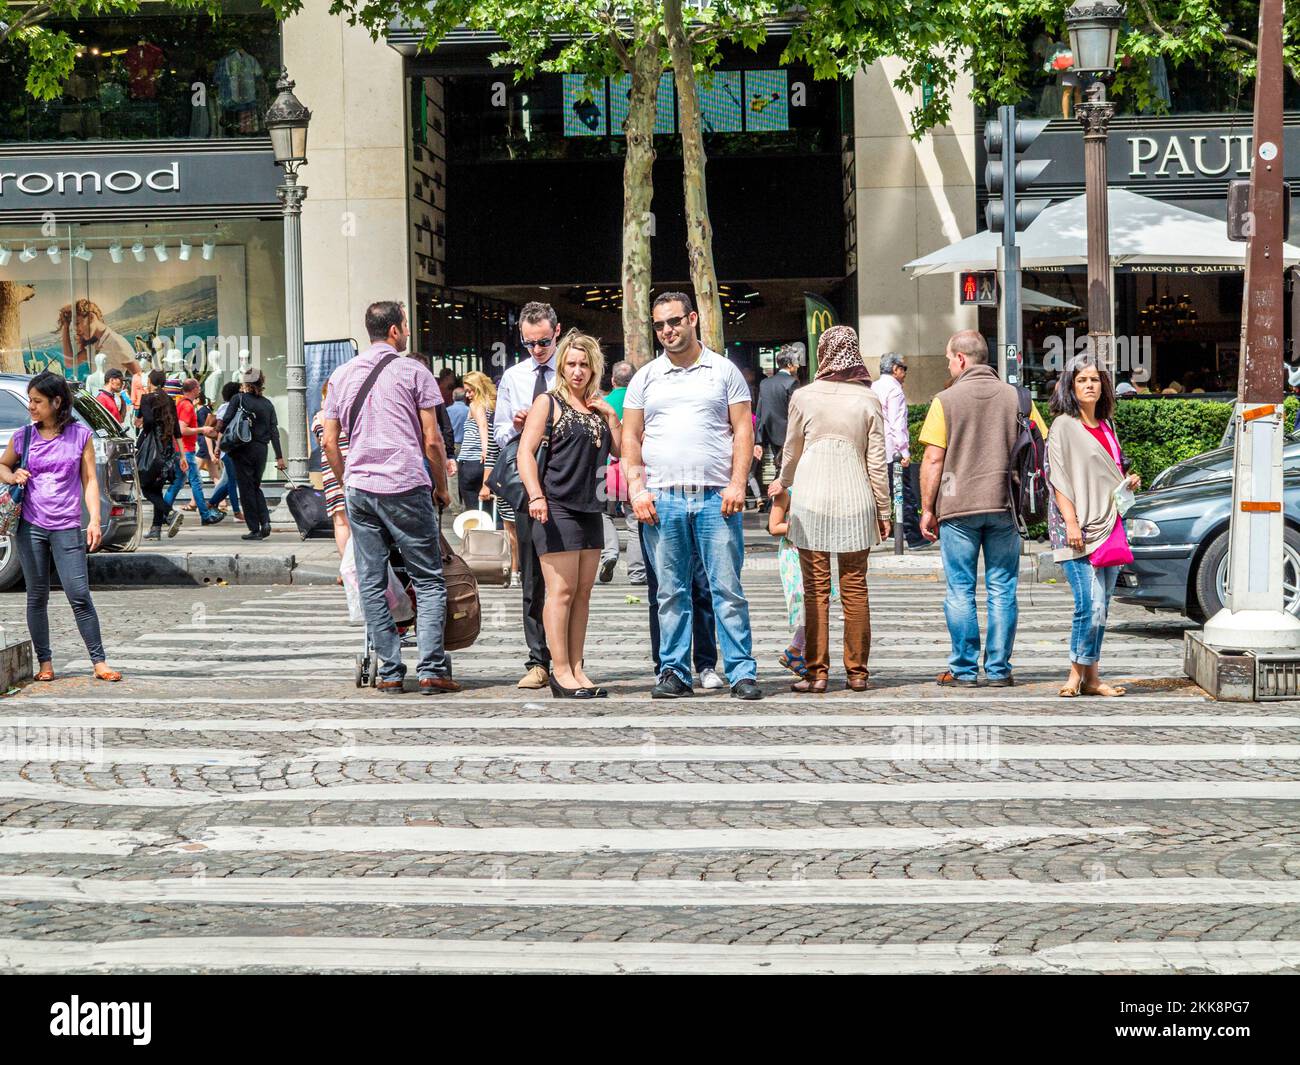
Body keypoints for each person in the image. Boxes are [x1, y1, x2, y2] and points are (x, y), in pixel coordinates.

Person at [622, 291, 762, 701]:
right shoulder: (646, 377)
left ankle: (741, 672)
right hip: (661, 498)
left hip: (715, 498)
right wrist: (636, 488)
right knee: (670, 592)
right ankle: (675, 672)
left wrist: (738, 483)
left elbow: (743, 430)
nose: (667, 330)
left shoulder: (723, 371)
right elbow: (630, 436)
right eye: (660, 324)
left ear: (693, 319)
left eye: (674, 321)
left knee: (727, 590)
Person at [322, 300, 458, 695]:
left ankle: (390, 671)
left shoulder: (342, 374)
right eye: (406, 327)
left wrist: (347, 478)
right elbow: (432, 440)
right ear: (396, 330)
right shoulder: (414, 371)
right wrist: (442, 486)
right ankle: (432, 668)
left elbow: (330, 441)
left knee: (371, 580)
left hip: (361, 490)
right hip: (406, 485)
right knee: (429, 579)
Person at [918, 330, 1049, 687]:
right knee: (1002, 587)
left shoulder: (944, 400)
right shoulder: (1018, 398)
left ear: (961, 359)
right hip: (1005, 503)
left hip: (958, 507)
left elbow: (933, 459)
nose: (948, 364)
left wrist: (927, 509)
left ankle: (963, 669)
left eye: (948, 358)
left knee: (960, 589)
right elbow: (1042, 444)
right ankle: (998, 669)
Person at [769, 326, 890, 693]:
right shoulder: (868, 400)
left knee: (815, 589)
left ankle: (817, 673)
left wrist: (781, 481)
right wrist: (884, 511)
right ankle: (857, 673)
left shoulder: (804, 397)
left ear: (823, 354)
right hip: (856, 498)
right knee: (855, 588)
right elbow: (878, 462)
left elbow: (791, 451)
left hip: (811, 500)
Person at [516, 330, 621, 698]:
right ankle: (559, 671)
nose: (577, 371)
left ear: (595, 368)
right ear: (562, 365)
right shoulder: (549, 402)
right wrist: (535, 496)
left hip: (591, 507)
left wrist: (612, 416)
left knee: (582, 593)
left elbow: (622, 453)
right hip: (554, 505)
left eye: (584, 364)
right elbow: (525, 453)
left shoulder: (597, 407)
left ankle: (577, 667)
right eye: (571, 364)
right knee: (560, 591)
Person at [0, 371, 121, 682]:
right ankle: (45, 662)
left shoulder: (81, 436)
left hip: (67, 525)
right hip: (31, 525)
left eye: (37, 401)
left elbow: (90, 480)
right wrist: (13, 476)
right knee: (36, 595)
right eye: (30, 400)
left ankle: (99, 661)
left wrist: (93, 519)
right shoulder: (23, 436)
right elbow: (2, 464)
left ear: (56, 402)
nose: (31, 406)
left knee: (78, 593)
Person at [1047, 359, 1140, 698]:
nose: (1090, 385)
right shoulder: (1063, 426)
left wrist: (1127, 482)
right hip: (1077, 528)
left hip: (1110, 523)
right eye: (1082, 379)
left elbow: (1109, 471)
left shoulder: (1107, 425)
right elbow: (1058, 479)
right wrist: (1071, 521)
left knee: (1102, 608)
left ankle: (1092, 677)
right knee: (1089, 604)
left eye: (1096, 379)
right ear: (1070, 386)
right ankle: (1076, 674)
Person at [493, 301, 561, 689]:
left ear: (557, 332)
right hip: (525, 480)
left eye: (544, 342)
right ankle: (538, 660)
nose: (537, 350)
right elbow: (499, 432)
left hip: (563, 479)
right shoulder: (514, 377)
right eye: (529, 343)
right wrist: (519, 425)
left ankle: (568, 655)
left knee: (565, 579)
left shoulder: (571, 370)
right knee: (532, 577)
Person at [217, 367, 285, 541]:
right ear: (261, 382)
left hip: (242, 449)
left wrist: (216, 434)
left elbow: (225, 422)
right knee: (255, 486)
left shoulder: (238, 399)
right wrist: (279, 456)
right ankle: (265, 521)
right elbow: (274, 431)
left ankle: (255, 528)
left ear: (245, 382)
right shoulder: (267, 404)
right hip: (262, 450)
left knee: (246, 489)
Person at [873, 351, 923, 548]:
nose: (905, 373)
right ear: (895, 369)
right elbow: (897, 424)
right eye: (904, 369)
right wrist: (904, 451)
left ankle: (884, 532)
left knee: (881, 492)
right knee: (904, 493)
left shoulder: (874, 387)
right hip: (893, 450)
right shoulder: (895, 390)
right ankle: (913, 536)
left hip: (876, 449)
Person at [162, 378, 223, 526]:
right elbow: (182, 429)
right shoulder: (187, 407)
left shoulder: (182, 404)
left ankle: (162, 512)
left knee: (178, 481)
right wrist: (202, 429)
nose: (200, 390)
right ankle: (205, 514)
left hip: (180, 449)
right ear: (194, 389)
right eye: (198, 388)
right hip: (186, 451)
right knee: (196, 481)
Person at [604, 359, 645, 583]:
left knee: (603, 513)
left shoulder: (603, 403)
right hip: (636, 468)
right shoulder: (641, 402)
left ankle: (609, 552)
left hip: (607, 469)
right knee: (634, 519)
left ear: (612, 380)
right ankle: (637, 572)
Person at [135, 369, 185, 540]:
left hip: (152, 451)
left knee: (145, 487)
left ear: (150, 381)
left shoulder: (146, 398)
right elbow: (177, 430)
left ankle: (169, 513)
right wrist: (183, 456)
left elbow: (146, 421)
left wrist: (145, 428)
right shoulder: (169, 400)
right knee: (157, 488)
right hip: (168, 450)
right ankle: (156, 528)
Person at [767, 487, 809, 681]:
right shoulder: (785, 491)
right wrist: (805, 525)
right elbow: (774, 526)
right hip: (793, 553)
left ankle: (804, 657)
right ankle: (795, 650)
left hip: (811, 551)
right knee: (807, 606)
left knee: (816, 605)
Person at [311, 380, 351, 558]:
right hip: (353, 467)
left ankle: (347, 566)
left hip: (330, 471)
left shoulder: (319, 417)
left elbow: (322, 442)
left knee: (340, 520)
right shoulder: (350, 414)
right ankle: (358, 564)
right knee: (360, 520)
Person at [57, 299, 140, 377]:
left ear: (91, 317)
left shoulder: (116, 342)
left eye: (77, 323)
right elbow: (69, 363)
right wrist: (65, 327)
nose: (76, 329)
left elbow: (139, 377)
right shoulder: (94, 343)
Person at [756, 346, 799, 492]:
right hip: (788, 433)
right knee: (787, 469)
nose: (798, 365)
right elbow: (795, 412)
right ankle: (777, 498)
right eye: (796, 362)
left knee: (780, 466)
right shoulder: (792, 383)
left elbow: (760, 412)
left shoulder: (765, 383)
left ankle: (774, 498)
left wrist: (759, 440)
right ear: (789, 365)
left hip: (770, 432)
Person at [206, 381, 243, 523]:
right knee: (232, 482)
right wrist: (217, 447)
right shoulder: (225, 408)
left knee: (230, 481)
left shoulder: (236, 407)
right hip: (228, 449)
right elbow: (221, 429)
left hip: (233, 449)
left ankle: (211, 503)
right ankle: (236, 511)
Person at [447, 386, 470, 452]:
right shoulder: (469, 411)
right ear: (465, 397)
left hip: (450, 445)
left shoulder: (447, 411)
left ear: (453, 397)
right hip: (465, 446)